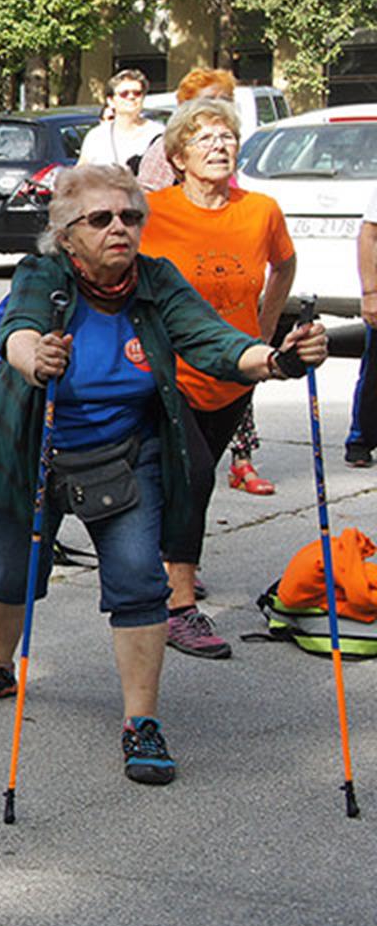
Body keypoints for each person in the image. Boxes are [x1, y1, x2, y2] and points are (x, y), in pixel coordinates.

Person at [0, 163, 327, 787]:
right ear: (66, 234)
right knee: (12, 573)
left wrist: (277, 359)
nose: (118, 228)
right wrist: (34, 358)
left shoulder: (156, 280)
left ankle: (141, 722)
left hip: (124, 452)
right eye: (100, 219)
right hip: (26, 446)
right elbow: (19, 327)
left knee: (138, 583)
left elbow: (213, 341)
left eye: (129, 217)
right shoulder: (44, 274)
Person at [137, 97, 295, 659]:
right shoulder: (151, 211)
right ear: (178, 156)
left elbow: (284, 263)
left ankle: (168, 561)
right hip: (169, 372)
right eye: (204, 138)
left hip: (235, 374)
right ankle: (179, 606)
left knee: (184, 485)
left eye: (226, 136)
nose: (219, 146)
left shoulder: (262, 210)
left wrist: (266, 328)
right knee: (194, 474)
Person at [79, 70, 163, 170]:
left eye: (137, 93)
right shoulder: (96, 137)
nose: (131, 97)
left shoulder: (159, 134)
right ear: (111, 101)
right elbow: (79, 175)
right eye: (124, 93)